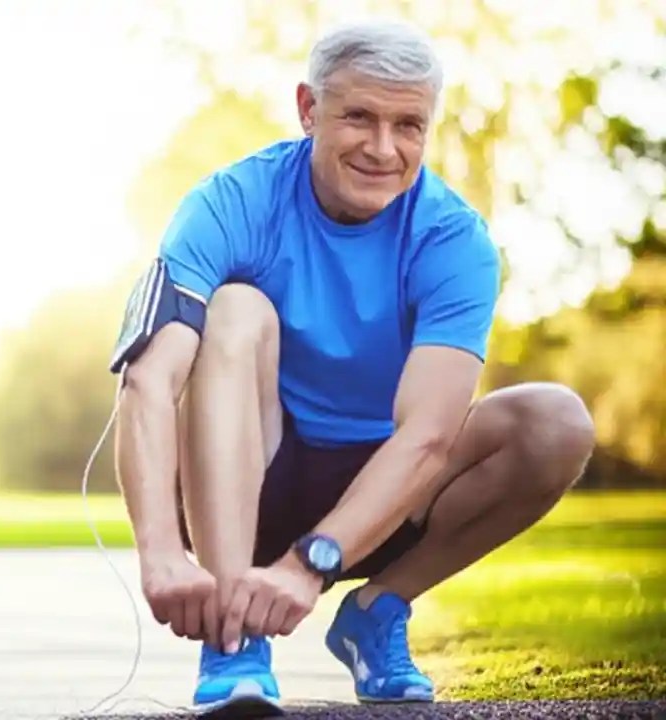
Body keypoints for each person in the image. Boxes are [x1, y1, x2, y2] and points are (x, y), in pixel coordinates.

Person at [110, 19, 596, 708]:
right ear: (308, 109)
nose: (382, 148)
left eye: (408, 126)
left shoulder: (454, 240)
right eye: (359, 117)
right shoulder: (231, 202)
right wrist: (159, 550)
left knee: (557, 421)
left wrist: (313, 566)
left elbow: (429, 435)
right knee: (238, 308)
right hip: (251, 477)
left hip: (385, 495)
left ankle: (377, 614)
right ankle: (232, 633)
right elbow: (150, 379)